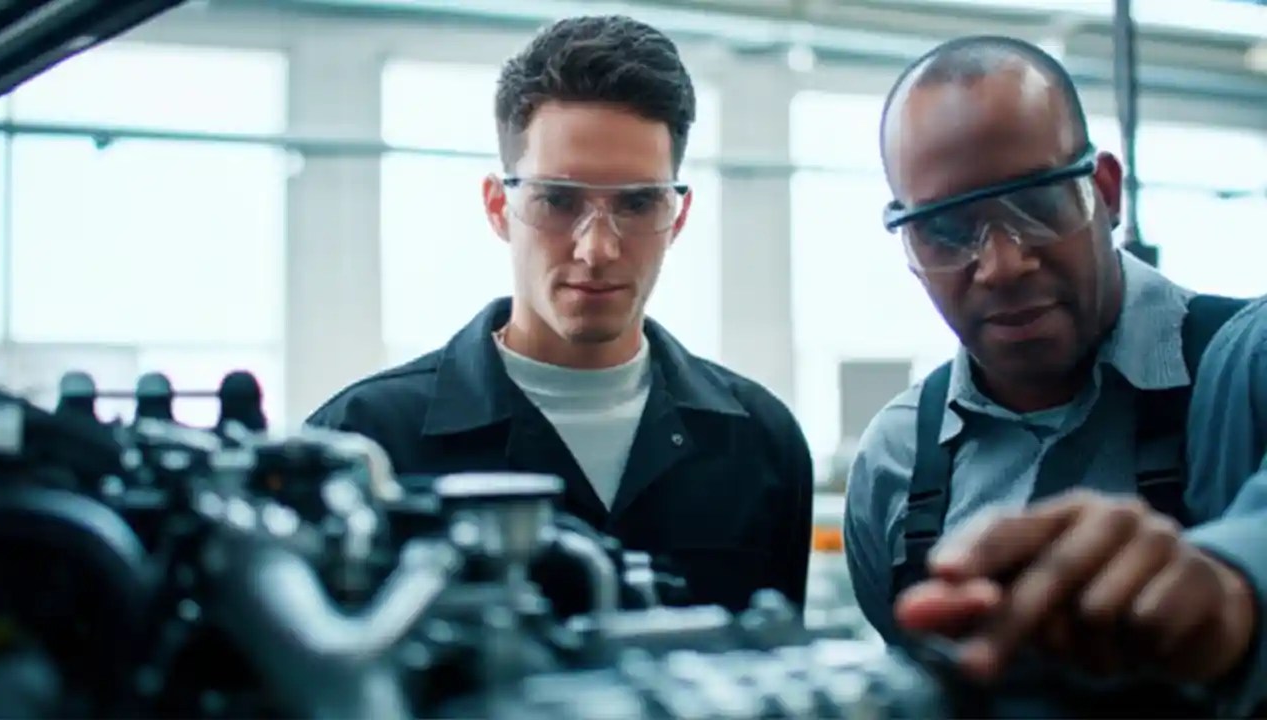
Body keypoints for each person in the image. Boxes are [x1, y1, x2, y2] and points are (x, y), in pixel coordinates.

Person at [307, 15, 814, 614]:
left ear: (676, 216)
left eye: (637, 202)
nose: (596, 249)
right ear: (500, 207)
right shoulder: (362, 443)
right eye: (557, 200)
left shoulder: (760, 444)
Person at [842, 33, 1260, 710]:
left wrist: (1234, 589)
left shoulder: (1249, 364)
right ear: (909, 248)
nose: (1003, 265)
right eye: (945, 230)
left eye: (1034, 204)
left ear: (1105, 191)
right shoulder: (895, 464)